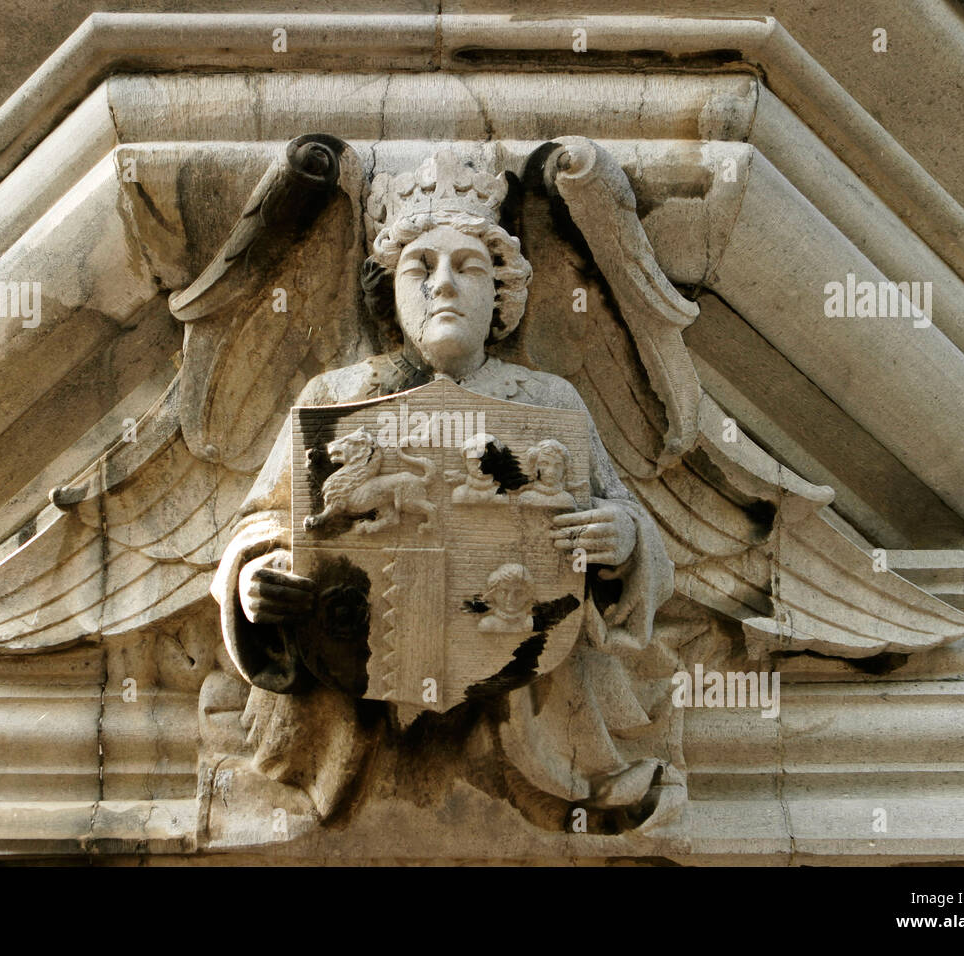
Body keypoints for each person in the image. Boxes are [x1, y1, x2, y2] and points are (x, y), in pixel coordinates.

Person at [210, 149, 674, 820]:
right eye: (420, 268)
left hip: (521, 692)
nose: (445, 285)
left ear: (504, 293)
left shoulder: (548, 401)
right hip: (360, 677)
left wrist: (624, 541)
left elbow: (631, 522)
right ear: (389, 291)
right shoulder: (338, 395)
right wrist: (258, 573)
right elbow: (262, 524)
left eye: (471, 267)